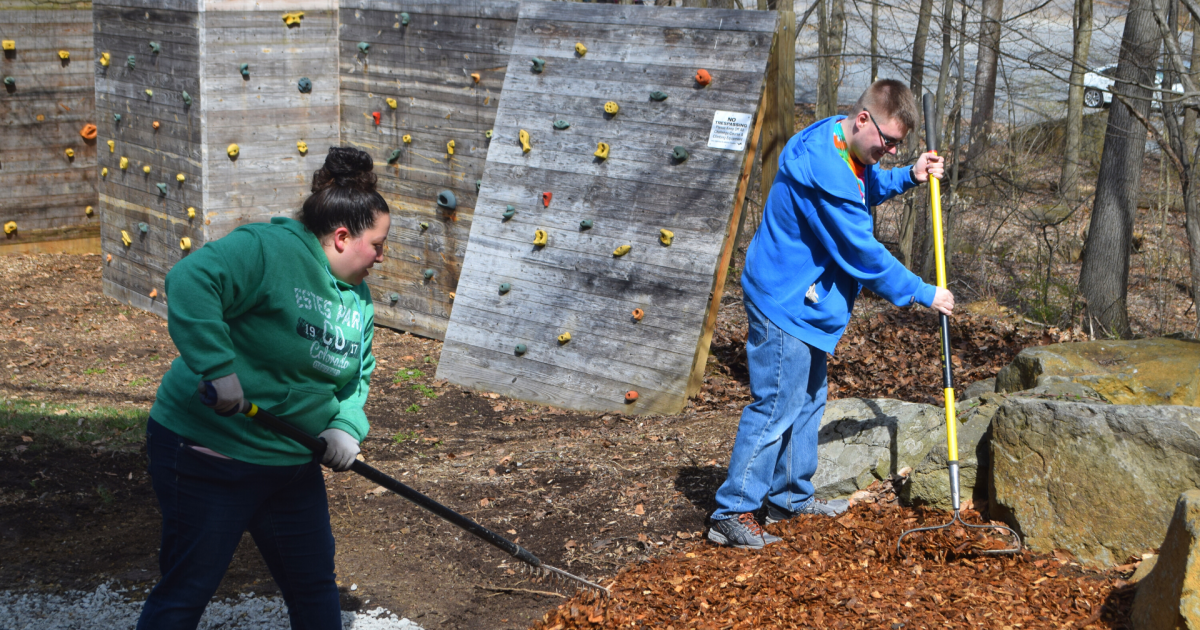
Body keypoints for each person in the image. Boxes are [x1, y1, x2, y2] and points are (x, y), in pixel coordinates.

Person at [137, 147, 391, 629]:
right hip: (210, 454)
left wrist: (344, 425)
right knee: (188, 588)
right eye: (378, 244)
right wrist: (217, 366)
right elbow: (191, 280)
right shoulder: (266, 249)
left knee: (314, 586)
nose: (381, 255)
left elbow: (359, 375)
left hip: (291, 464)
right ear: (341, 237)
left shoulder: (357, 299)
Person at [706, 80, 952, 549]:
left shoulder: (839, 141)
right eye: (889, 141)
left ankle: (788, 499)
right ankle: (733, 511)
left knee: (808, 400)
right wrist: (923, 292)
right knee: (776, 404)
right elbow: (864, 253)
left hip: (806, 298)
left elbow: (863, 185)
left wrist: (908, 176)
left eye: (899, 145)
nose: (891, 150)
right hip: (785, 299)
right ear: (863, 120)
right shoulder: (825, 170)